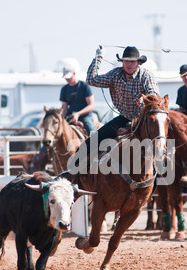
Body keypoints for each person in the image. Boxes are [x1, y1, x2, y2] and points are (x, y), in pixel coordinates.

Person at [68, 45, 160, 174]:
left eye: (132, 61)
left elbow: (154, 95)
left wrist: (145, 99)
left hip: (143, 120)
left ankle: (161, 180)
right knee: (89, 144)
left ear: (138, 62)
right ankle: (71, 175)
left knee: (160, 148)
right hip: (125, 118)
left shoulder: (146, 75)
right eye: (126, 61)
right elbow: (91, 79)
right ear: (122, 62)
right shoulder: (116, 74)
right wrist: (98, 57)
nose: (128, 64)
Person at [60, 62, 97, 136]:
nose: (67, 79)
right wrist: (62, 118)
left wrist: (78, 114)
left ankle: (96, 144)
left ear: (74, 73)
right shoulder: (64, 89)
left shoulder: (84, 86)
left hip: (85, 116)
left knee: (92, 130)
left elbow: (91, 106)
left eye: (69, 77)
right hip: (70, 116)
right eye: (66, 77)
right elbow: (64, 108)